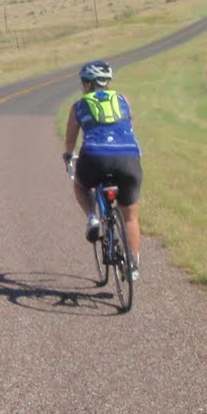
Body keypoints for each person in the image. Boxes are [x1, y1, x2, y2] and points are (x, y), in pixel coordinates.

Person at [62, 59, 142, 280]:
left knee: (79, 184)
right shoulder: (123, 99)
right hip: (128, 157)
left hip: (94, 157)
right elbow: (129, 126)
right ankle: (132, 265)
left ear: (87, 84)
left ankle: (92, 218)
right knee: (130, 216)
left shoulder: (79, 105)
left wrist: (68, 156)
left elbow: (70, 140)